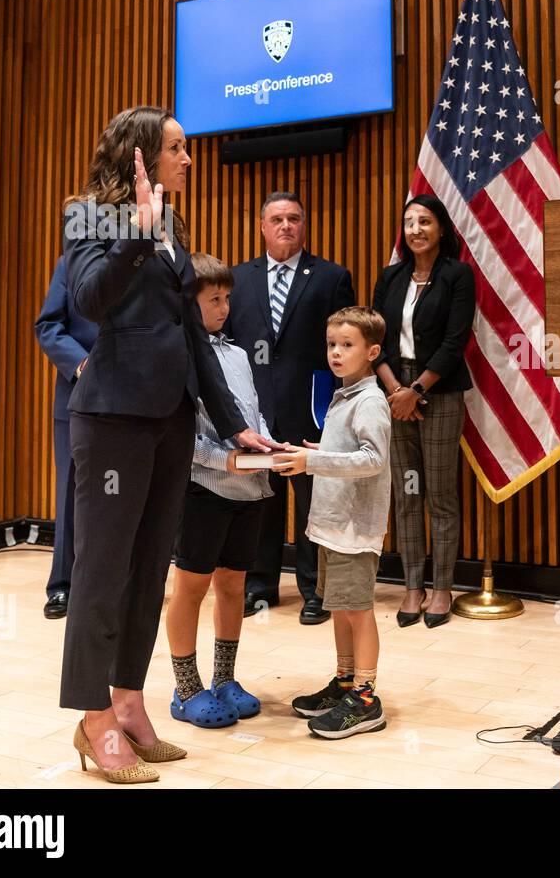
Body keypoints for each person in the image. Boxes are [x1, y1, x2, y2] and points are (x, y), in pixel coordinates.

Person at [61, 106, 278, 783]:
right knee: (103, 572)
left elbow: (192, 336)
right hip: (114, 421)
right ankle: (92, 717)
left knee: (150, 569)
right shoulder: (90, 216)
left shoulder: (174, 229)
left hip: (170, 420)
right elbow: (90, 302)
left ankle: (129, 700)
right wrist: (136, 234)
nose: (189, 159)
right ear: (142, 153)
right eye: (178, 148)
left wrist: (230, 417)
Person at [225, 191, 356, 626]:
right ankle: (259, 585)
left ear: (304, 225)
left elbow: (346, 348)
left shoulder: (331, 277)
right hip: (255, 412)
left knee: (313, 504)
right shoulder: (237, 279)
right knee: (260, 500)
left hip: (312, 410)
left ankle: (316, 590)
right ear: (262, 227)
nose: (286, 225)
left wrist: (340, 413)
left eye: (294, 218)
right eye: (277, 219)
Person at [164, 253, 273, 729]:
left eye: (228, 298)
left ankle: (224, 679)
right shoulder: (179, 356)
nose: (224, 308)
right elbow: (179, 433)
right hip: (201, 489)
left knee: (234, 585)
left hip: (247, 489)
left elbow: (252, 415)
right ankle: (186, 689)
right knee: (190, 587)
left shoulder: (238, 354)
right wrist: (222, 458)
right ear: (190, 303)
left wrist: (271, 449)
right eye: (214, 300)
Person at [275, 307, 392, 738]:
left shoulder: (371, 400)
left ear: (372, 351)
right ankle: (345, 682)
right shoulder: (345, 395)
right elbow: (347, 450)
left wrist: (315, 460)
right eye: (331, 345)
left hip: (353, 529)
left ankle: (365, 698)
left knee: (358, 610)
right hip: (332, 524)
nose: (336, 353)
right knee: (339, 606)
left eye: (348, 345)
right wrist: (316, 449)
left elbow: (373, 459)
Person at [371, 195, 475, 628]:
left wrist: (416, 390)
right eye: (409, 222)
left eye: (425, 221)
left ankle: (443, 586)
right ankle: (413, 586)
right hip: (395, 392)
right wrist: (397, 391)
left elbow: (456, 341)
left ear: (441, 228)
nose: (416, 229)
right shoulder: (390, 277)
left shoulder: (458, 276)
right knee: (408, 493)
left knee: (440, 495)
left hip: (440, 391)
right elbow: (371, 336)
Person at [34, 255, 98, 620]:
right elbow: (49, 326)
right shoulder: (69, 264)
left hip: (132, 391)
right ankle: (62, 585)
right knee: (72, 490)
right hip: (78, 391)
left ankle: (118, 584)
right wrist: (81, 363)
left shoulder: (142, 257)